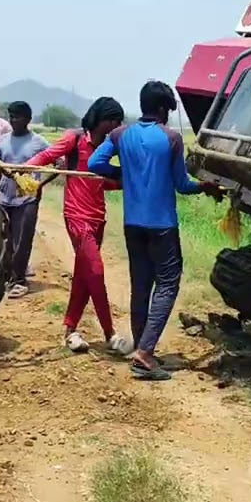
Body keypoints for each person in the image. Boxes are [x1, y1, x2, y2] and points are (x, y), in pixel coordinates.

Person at [88, 80, 218, 381]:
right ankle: (145, 354)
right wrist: (205, 187)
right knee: (168, 284)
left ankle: (141, 348)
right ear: (162, 109)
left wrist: (124, 174)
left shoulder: (120, 134)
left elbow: (96, 162)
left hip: (132, 223)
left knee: (141, 285)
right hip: (162, 225)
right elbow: (183, 185)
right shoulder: (171, 139)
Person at [25, 97, 133, 355]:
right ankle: (110, 334)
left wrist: (126, 182)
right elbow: (46, 155)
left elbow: (101, 183)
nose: (117, 128)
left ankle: (70, 330)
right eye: (114, 122)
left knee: (85, 276)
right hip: (76, 217)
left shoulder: (107, 149)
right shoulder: (74, 140)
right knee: (95, 272)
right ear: (102, 120)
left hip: (98, 219)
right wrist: (20, 170)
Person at [0, 101, 50, 298]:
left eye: (18, 117)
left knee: (22, 241)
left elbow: (58, 163)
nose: (14, 120)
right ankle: (5, 276)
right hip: (3, 197)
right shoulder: (2, 140)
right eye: (11, 117)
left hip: (27, 199)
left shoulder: (39, 142)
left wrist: (40, 185)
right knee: (4, 240)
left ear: (28, 119)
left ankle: (19, 280)